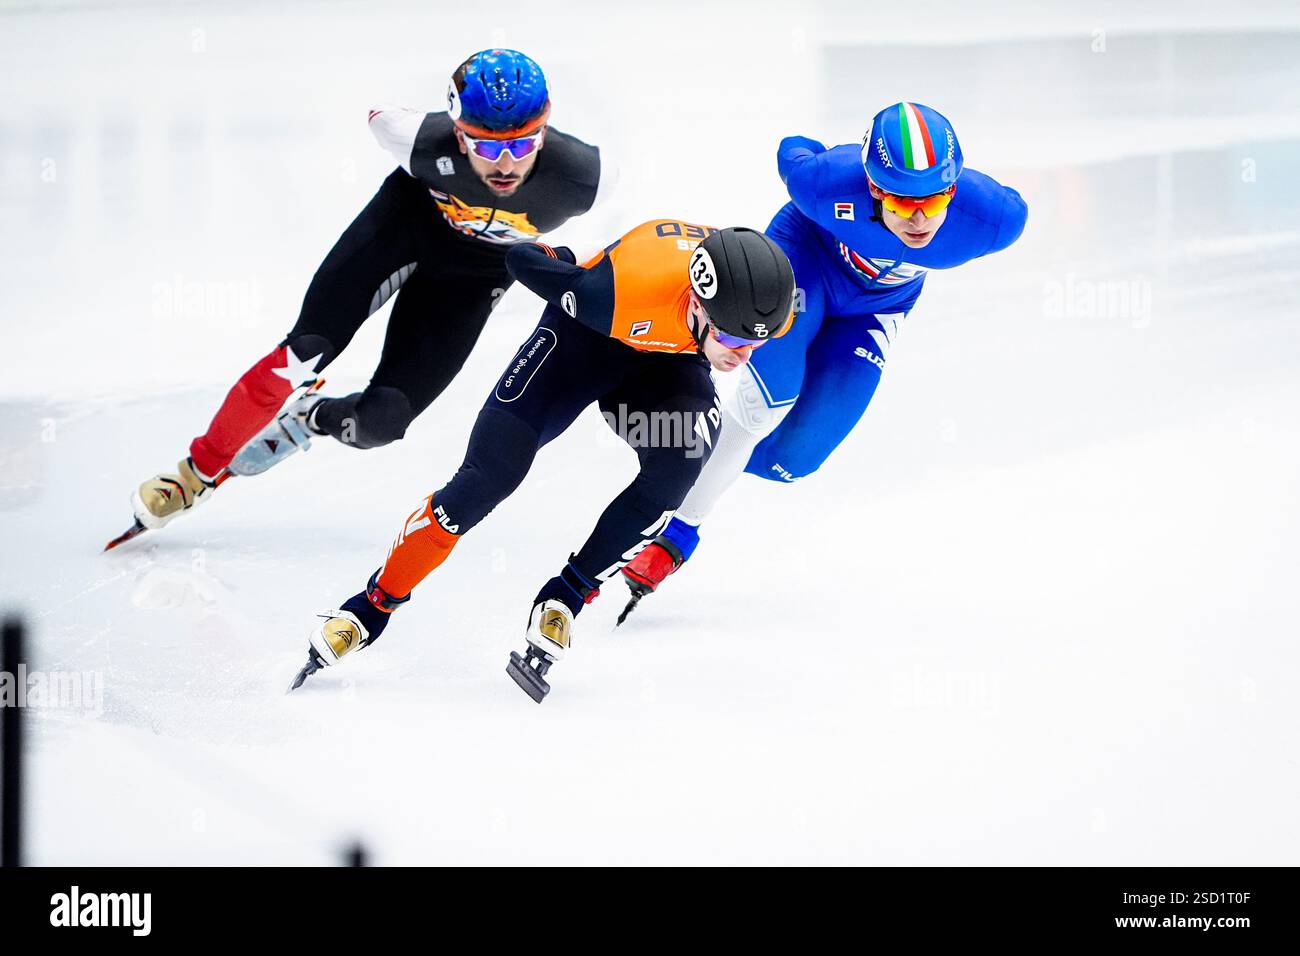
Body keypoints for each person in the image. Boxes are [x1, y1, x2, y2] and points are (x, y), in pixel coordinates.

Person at [108, 49, 609, 549]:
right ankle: (194, 474)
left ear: (545, 131)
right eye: (483, 146)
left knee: (382, 424)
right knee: (302, 353)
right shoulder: (411, 137)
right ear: (457, 133)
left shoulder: (582, 180)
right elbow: (377, 114)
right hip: (403, 227)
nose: (504, 165)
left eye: (522, 147)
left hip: (470, 281)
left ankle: (310, 418)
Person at [288, 221, 796, 701]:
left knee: (681, 466)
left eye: (759, 340)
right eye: (732, 339)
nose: (743, 354)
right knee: (490, 476)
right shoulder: (614, 290)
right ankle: (371, 607)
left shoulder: (762, 300)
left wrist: (736, 338)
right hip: (585, 340)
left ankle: (566, 596)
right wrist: (567, 259)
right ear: (699, 304)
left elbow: (750, 324)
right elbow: (521, 258)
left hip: (663, 372)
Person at [617, 102, 1029, 616]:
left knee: (795, 460)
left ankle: (693, 453)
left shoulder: (993, 219)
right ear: (874, 188)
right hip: (805, 265)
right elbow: (793, 147)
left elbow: (1008, 203)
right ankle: (674, 537)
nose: (920, 218)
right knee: (768, 401)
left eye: (936, 197)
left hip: (874, 310)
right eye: (902, 202)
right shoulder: (825, 184)